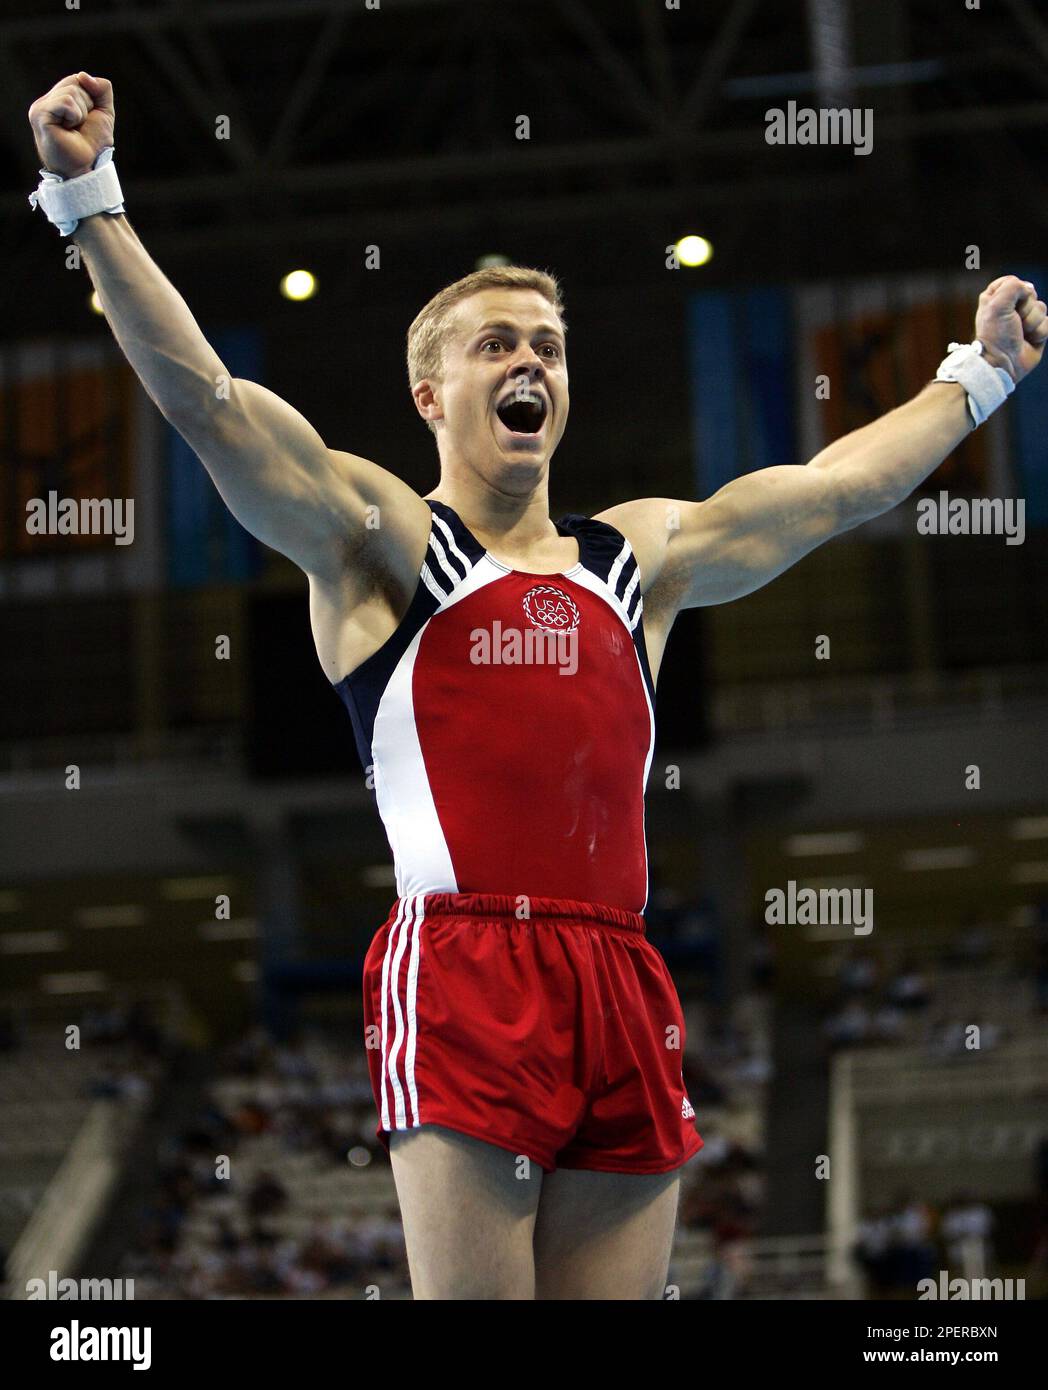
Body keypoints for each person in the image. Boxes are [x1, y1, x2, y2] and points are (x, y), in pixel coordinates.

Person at [26, 71, 1048, 1300]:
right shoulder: (379, 542)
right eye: (497, 344)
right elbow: (207, 402)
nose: (532, 362)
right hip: (463, 969)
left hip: (622, 970)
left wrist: (976, 378)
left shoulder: (639, 560)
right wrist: (91, 197)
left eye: (550, 347)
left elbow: (835, 490)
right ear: (429, 393)